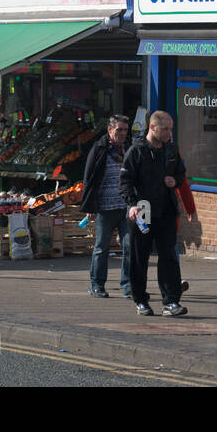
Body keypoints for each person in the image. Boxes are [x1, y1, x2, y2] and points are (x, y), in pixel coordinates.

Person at [120, 110, 189, 317]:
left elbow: (181, 172)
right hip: (143, 210)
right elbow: (125, 182)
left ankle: (171, 301)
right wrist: (132, 204)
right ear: (152, 127)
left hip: (166, 209)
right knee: (139, 257)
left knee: (168, 256)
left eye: (171, 129)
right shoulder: (137, 151)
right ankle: (140, 300)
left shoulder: (171, 149)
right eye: (165, 129)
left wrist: (174, 181)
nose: (169, 133)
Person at [82, 114, 133, 298]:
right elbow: (89, 179)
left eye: (125, 130)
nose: (122, 133)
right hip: (104, 207)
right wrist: (90, 207)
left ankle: (128, 286)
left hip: (126, 207)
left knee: (129, 246)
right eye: (119, 130)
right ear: (110, 130)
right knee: (102, 247)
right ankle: (96, 284)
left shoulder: (129, 148)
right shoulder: (99, 149)